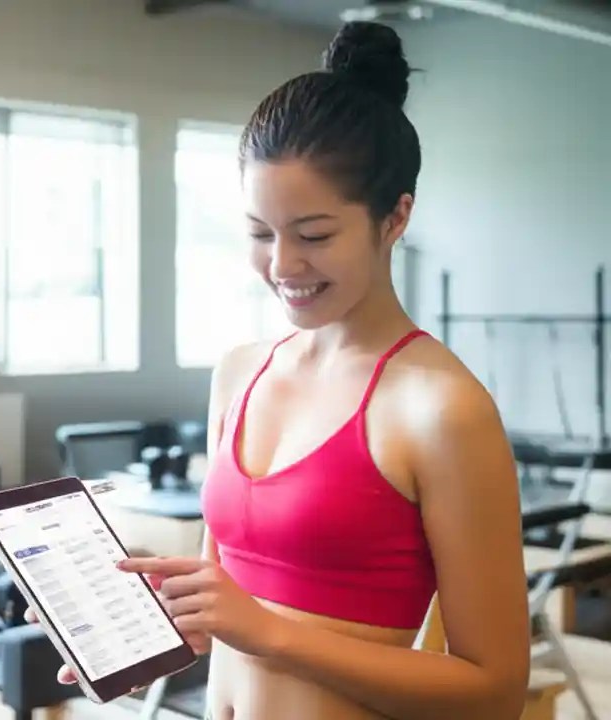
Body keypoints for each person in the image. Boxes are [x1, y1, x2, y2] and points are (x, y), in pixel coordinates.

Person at [29, 21, 532, 720]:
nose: (283, 267)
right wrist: (143, 623)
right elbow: (225, 614)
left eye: (315, 236)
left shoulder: (439, 407)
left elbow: (495, 692)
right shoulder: (238, 374)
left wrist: (267, 630)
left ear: (395, 217)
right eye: (260, 233)